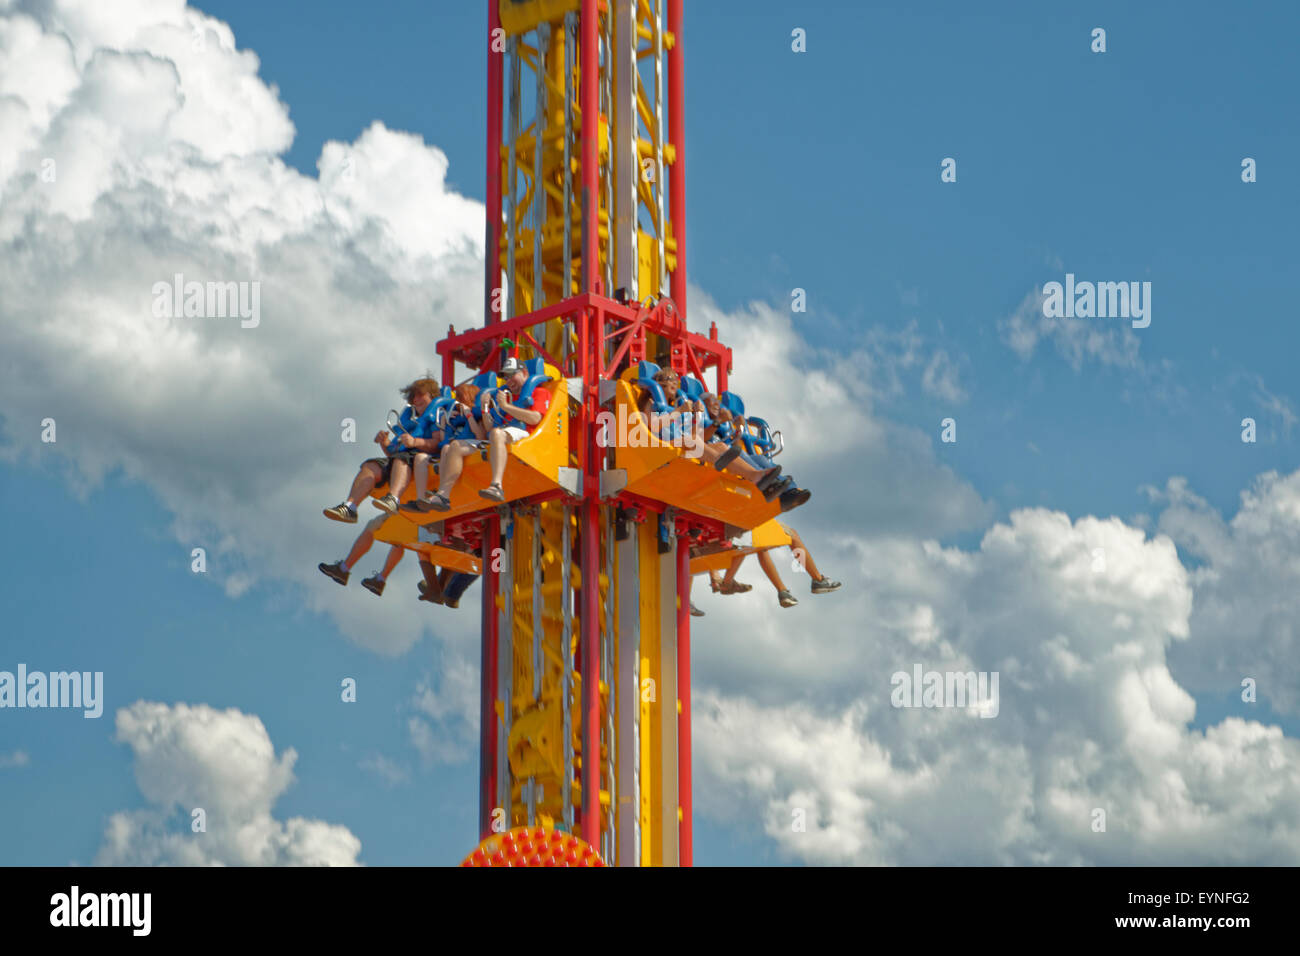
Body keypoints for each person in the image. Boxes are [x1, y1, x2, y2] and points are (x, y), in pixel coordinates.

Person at [421, 358, 550, 511]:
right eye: (506, 377)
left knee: (497, 434)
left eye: (512, 375)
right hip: (500, 436)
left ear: (524, 373)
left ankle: (496, 485)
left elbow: (535, 418)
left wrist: (506, 406)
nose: (509, 380)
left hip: (526, 435)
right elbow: (489, 429)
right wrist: (485, 409)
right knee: (455, 446)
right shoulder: (505, 395)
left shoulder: (539, 392)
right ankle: (443, 495)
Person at [322, 377, 443, 522]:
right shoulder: (409, 419)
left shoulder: (437, 415)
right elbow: (393, 453)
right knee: (371, 466)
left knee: (401, 458)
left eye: (420, 394)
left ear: (432, 395)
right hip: (402, 457)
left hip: (423, 458)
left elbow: (437, 443)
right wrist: (384, 443)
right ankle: (350, 507)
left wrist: (415, 441)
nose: (416, 399)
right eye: (413, 396)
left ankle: (393, 499)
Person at [710, 523, 840, 608]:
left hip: (723, 521)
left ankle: (782, 591)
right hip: (741, 517)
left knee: (759, 544)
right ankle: (818, 579)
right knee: (791, 534)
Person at [318, 514, 406, 594]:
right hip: (415, 520)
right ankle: (380, 580)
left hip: (408, 512)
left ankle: (343, 569)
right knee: (402, 538)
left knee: (372, 526)